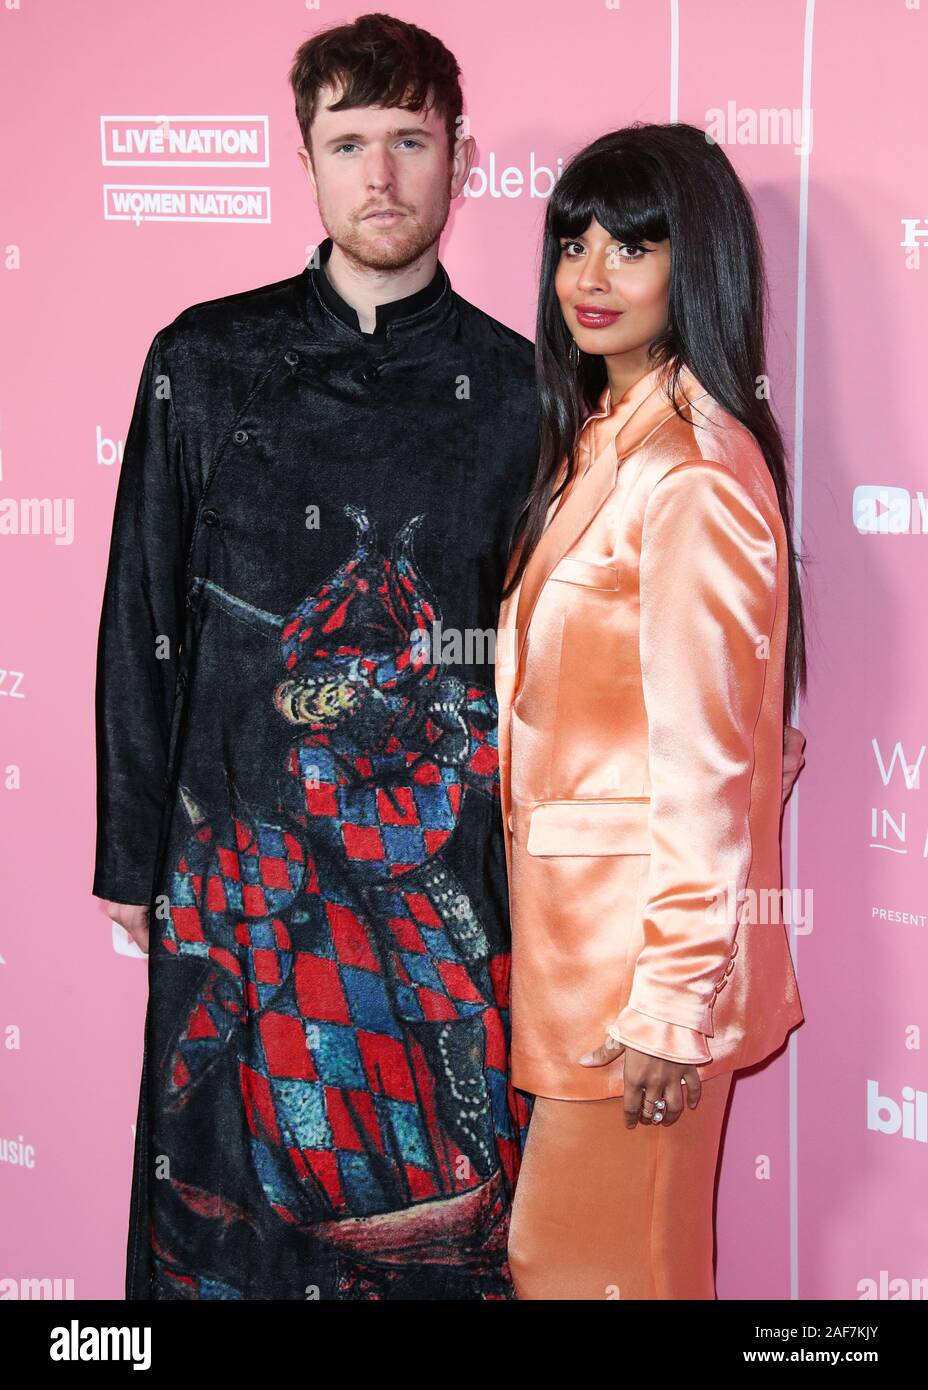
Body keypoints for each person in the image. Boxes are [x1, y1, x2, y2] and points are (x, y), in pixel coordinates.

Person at [92, 12, 543, 1301]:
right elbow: (141, 611)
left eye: (411, 139)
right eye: (350, 143)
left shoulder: (522, 391)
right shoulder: (202, 360)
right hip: (230, 847)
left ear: (461, 156)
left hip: (452, 863)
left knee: (442, 1201)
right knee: (223, 1204)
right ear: (306, 157)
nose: (382, 176)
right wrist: (134, 852)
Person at [495, 123, 807, 1300]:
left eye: (632, 245)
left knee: (589, 1272)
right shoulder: (600, 445)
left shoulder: (688, 474)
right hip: (586, 965)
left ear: (698, 262)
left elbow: (710, 768)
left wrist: (672, 1010)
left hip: (641, 987)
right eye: (572, 241)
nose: (590, 273)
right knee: (607, 1271)